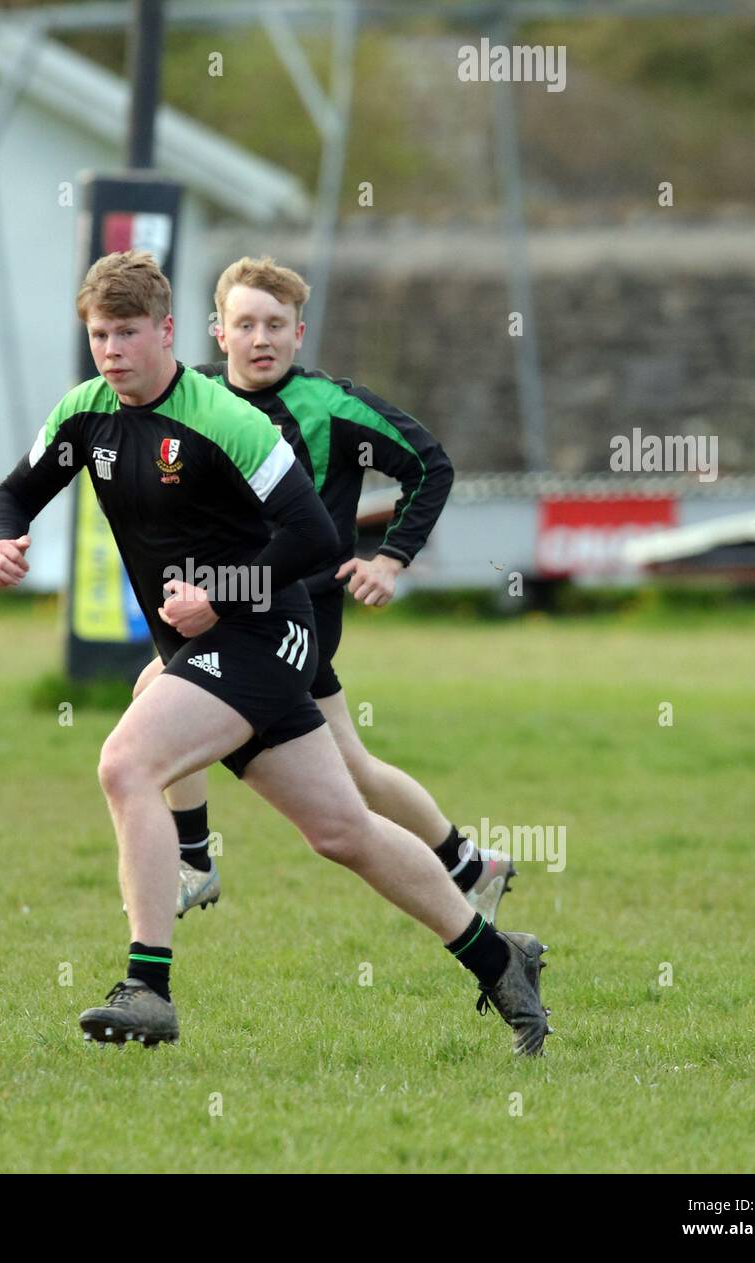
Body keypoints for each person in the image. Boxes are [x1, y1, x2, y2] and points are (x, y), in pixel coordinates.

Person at [0, 250, 551, 1054]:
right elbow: (15, 490)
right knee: (343, 829)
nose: (112, 350)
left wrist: (217, 592)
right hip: (209, 643)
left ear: (169, 332)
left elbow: (314, 536)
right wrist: (4, 537)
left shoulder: (224, 418)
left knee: (126, 763)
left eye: (129, 333)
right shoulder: (83, 413)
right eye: (100, 334)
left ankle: (149, 984)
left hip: (266, 632)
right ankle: (502, 957)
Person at [135, 256, 517, 924]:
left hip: (295, 614)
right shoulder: (190, 394)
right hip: (226, 604)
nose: (261, 338)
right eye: (245, 323)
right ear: (216, 332)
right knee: (353, 769)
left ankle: (194, 859)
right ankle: (467, 862)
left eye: (275, 324)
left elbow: (430, 464)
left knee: (156, 693)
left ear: (299, 333)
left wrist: (392, 558)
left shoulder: (329, 406)